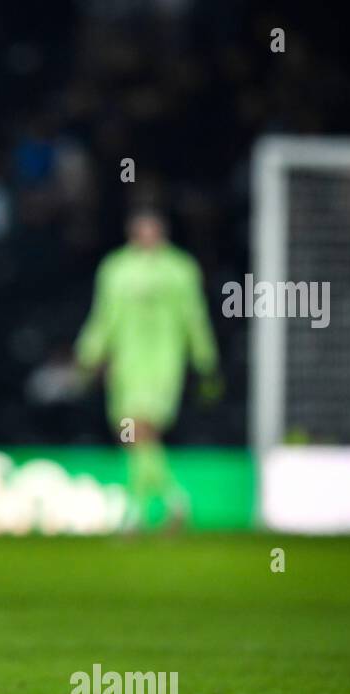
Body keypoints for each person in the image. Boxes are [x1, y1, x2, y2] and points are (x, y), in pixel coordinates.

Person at [75, 207, 221, 530]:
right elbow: (104, 315)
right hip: (126, 363)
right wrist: (89, 352)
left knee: (140, 429)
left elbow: (194, 316)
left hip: (164, 361)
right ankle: (172, 500)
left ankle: (137, 512)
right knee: (134, 435)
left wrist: (204, 359)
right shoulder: (115, 268)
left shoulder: (181, 269)